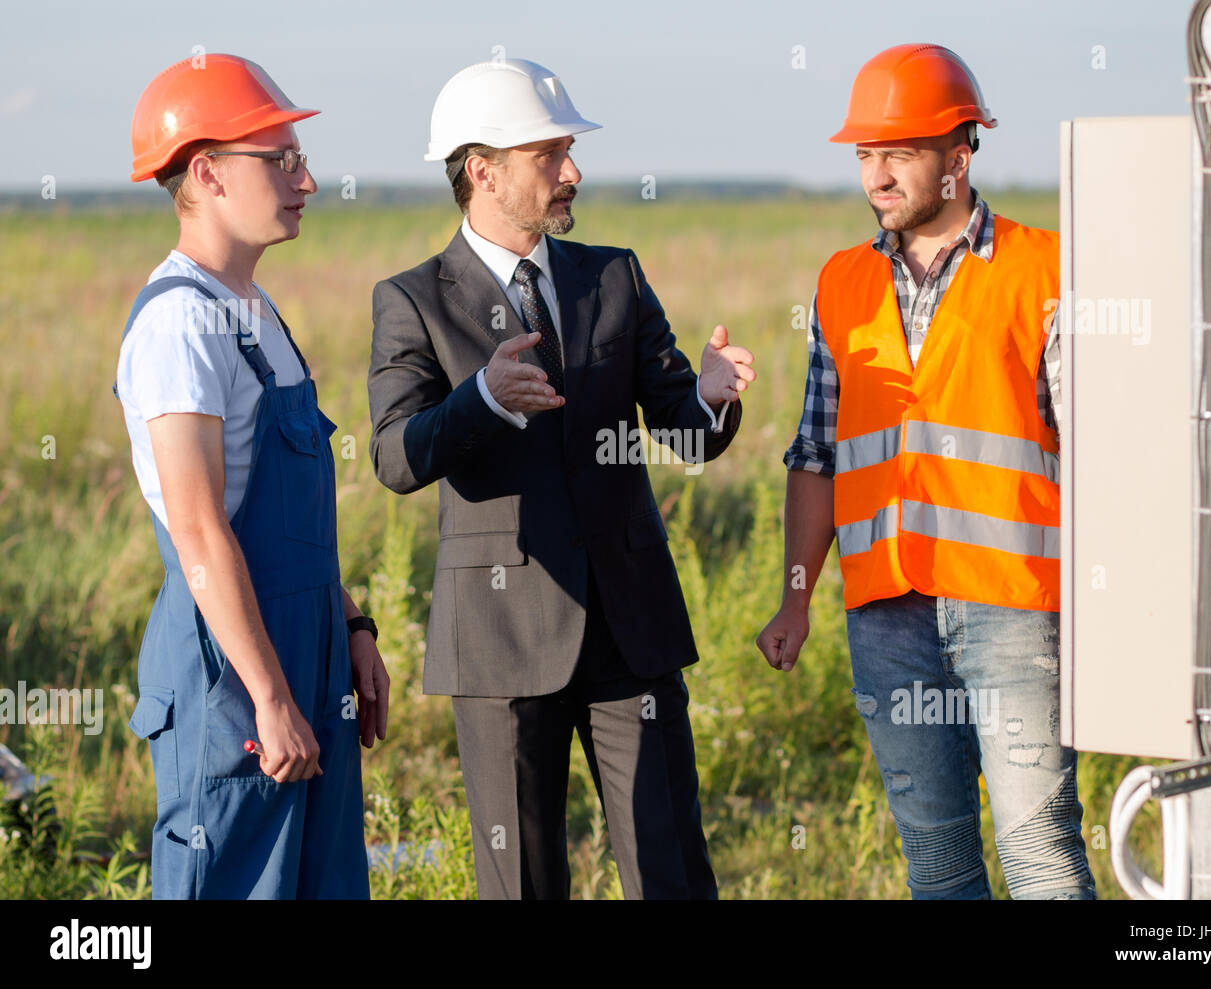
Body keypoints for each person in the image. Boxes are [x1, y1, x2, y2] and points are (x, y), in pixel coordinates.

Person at [367, 58, 755, 899]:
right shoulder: (411, 302)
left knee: (672, 872)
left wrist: (713, 399)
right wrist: (481, 400)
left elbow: (683, 431)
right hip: (501, 642)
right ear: (483, 170)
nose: (572, 172)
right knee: (523, 885)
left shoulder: (613, 274)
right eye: (550, 155)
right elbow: (396, 455)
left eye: (568, 151)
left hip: (631, 631)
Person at [756, 43, 1096, 899]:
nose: (876, 174)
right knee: (938, 870)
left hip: (1015, 611)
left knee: (1042, 856)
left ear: (960, 153)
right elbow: (816, 453)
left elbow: (1098, 455)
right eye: (866, 154)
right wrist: (797, 595)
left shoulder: (1045, 270)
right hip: (886, 618)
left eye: (898, 152)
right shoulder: (840, 284)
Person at [116, 53, 388, 899]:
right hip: (232, 676)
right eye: (280, 159)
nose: (306, 178)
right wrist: (268, 696)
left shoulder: (255, 311)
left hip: (305, 654)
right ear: (206, 172)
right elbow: (200, 529)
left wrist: (353, 625)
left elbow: (295, 517)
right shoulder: (180, 327)